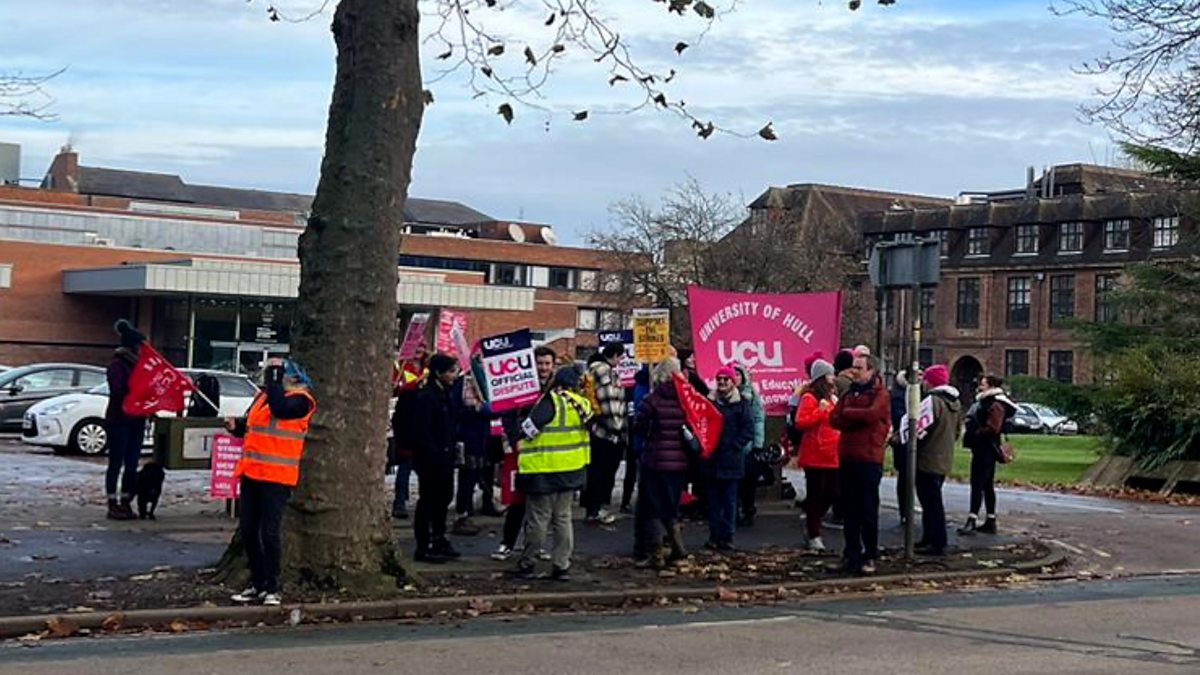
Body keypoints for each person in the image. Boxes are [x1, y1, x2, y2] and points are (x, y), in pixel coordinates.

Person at [227, 358, 317, 606]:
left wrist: (275, 375)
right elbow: (258, 426)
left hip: (278, 476)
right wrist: (237, 427)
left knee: (269, 532)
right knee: (248, 531)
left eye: (272, 374)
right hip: (252, 472)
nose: (268, 378)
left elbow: (280, 410)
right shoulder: (265, 397)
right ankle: (257, 582)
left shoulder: (302, 400)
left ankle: (272, 586)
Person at [514, 366, 593, 581]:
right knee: (563, 518)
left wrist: (518, 432)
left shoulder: (551, 401)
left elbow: (530, 428)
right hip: (571, 468)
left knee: (539, 519)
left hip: (543, 469)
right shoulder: (582, 404)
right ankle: (562, 564)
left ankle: (528, 562)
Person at [494, 345, 557, 561]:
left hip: (546, 453)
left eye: (547, 364)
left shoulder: (556, 389)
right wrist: (515, 441)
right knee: (517, 502)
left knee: (541, 505)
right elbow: (508, 416)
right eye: (539, 363)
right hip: (522, 452)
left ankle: (535, 545)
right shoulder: (520, 388)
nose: (543, 368)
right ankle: (507, 543)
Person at [830, 353, 890, 575]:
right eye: (853, 367)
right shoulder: (849, 393)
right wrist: (854, 417)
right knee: (850, 510)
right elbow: (834, 418)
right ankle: (851, 554)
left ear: (872, 371)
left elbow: (872, 415)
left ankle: (870, 554)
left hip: (868, 458)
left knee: (867, 509)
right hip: (848, 456)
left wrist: (849, 415)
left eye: (859, 368)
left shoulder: (880, 394)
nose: (854, 371)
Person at [631, 358, 690, 568]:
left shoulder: (652, 400)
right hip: (679, 461)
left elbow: (639, 425)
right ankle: (678, 548)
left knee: (652, 508)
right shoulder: (686, 399)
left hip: (655, 460)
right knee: (671, 506)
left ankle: (655, 555)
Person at [411, 354, 462, 563]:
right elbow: (423, 431)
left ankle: (439, 538)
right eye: (451, 371)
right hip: (431, 459)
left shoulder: (446, 394)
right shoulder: (427, 397)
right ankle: (424, 545)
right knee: (428, 501)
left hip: (445, 456)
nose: (454, 375)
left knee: (443, 498)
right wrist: (433, 453)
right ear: (439, 373)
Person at [704, 366, 754, 551]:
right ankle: (714, 535)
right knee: (714, 502)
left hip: (732, 459)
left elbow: (748, 429)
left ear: (733, 382)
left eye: (726, 379)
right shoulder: (709, 402)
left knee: (730, 501)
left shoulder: (742, 404)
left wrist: (735, 446)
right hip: (713, 459)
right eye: (719, 379)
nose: (722, 382)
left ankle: (727, 536)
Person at [960, 374, 1016, 535]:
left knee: (978, 484)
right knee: (986, 485)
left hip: (985, 448)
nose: (980, 386)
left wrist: (976, 433)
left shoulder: (995, 403)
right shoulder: (989, 401)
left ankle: (972, 519)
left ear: (991, 386)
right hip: (986, 447)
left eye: (983, 384)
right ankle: (990, 520)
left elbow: (994, 427)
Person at [915, 365, 962, 556]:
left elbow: (921, 427)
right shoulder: (954, 402)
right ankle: (929, 538)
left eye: (926, 380)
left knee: (930, 503)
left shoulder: (932, 401)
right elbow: (957, 431)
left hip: (928, 456)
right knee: (932, 501)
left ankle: (936, 541)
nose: (923, 383)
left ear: (931, 382)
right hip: (944, 456)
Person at [104, 319, 148, 521]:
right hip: (120, 419)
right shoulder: (117, 365)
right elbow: (118, 391)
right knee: (116, 462)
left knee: (132, 463)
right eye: (139, 346)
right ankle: (112, 503)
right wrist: (137, 389)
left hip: (137, 419)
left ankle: (126, 501)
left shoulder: (141, 366)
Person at [795, 358, 840, 552]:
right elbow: (801, 422)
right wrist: (820, 412)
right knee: (816, 494)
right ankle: (814, 534)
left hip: (832, 453)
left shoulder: (832, 397)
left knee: (832, 493)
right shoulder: (810, 398)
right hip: (816, 454)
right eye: (830, 374)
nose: (833, 377)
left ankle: (813, 520)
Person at [582, 342, 628, 525]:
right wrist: (617, 427)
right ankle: (597, 509)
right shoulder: (606, 372)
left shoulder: (591, 370)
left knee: (594, 472)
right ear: (615, 355)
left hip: (594, 430)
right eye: (621, 356)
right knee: (604, 473)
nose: (622, 360)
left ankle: (591, 509)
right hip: (607, 434)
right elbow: (609, 400)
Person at [451, 370, 493, 536]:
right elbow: (455, 410)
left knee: (476, 475)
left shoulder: (486, 383)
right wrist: (473, 409)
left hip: (482, 438)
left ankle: (467, 512)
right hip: (466, 439)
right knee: (466, 479)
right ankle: (461, 514)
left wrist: (485, 408)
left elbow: (494, 410)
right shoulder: (461, 384)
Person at [734, 365, 766, 527]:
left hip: (748, 446)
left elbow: (758, 418)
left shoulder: (751, 395)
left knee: (749, 481)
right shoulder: (723, 395)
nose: (735, 377)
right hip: (732, 446)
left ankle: (748, 510)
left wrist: (758, 444)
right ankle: (734, 512)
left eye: (738, 374)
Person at [622, 364, 653, 514]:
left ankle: (626, 501)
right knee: (645, 471)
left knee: (631, 470)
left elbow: (629, 410)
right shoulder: (652, 389)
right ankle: (643, 501)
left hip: (633, 432)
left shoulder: (633, 387)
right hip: (646, 435)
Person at [889, 369, 911, 525]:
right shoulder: (898, 395)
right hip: (903, 442)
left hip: (912, 442)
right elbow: (897, 417)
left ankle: (907, 509)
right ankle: (905, 510)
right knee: (904, 477)